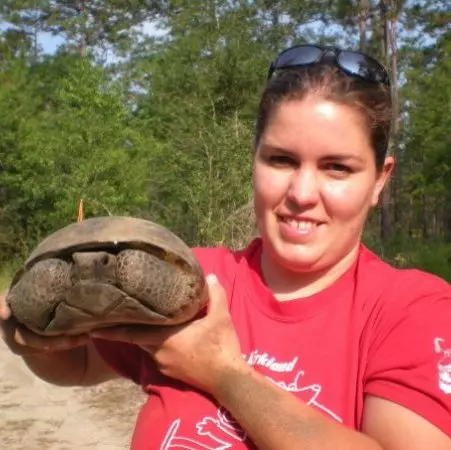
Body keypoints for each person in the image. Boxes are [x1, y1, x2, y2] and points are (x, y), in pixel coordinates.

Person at [1, 43, 451, 450]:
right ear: (254, 159)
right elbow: (79, 364)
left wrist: (225, 374)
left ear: (380, 180)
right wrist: (35, 342)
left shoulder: (412, 310)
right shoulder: (195, 278)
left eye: (337, 168)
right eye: (281, 159)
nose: (302, 192)